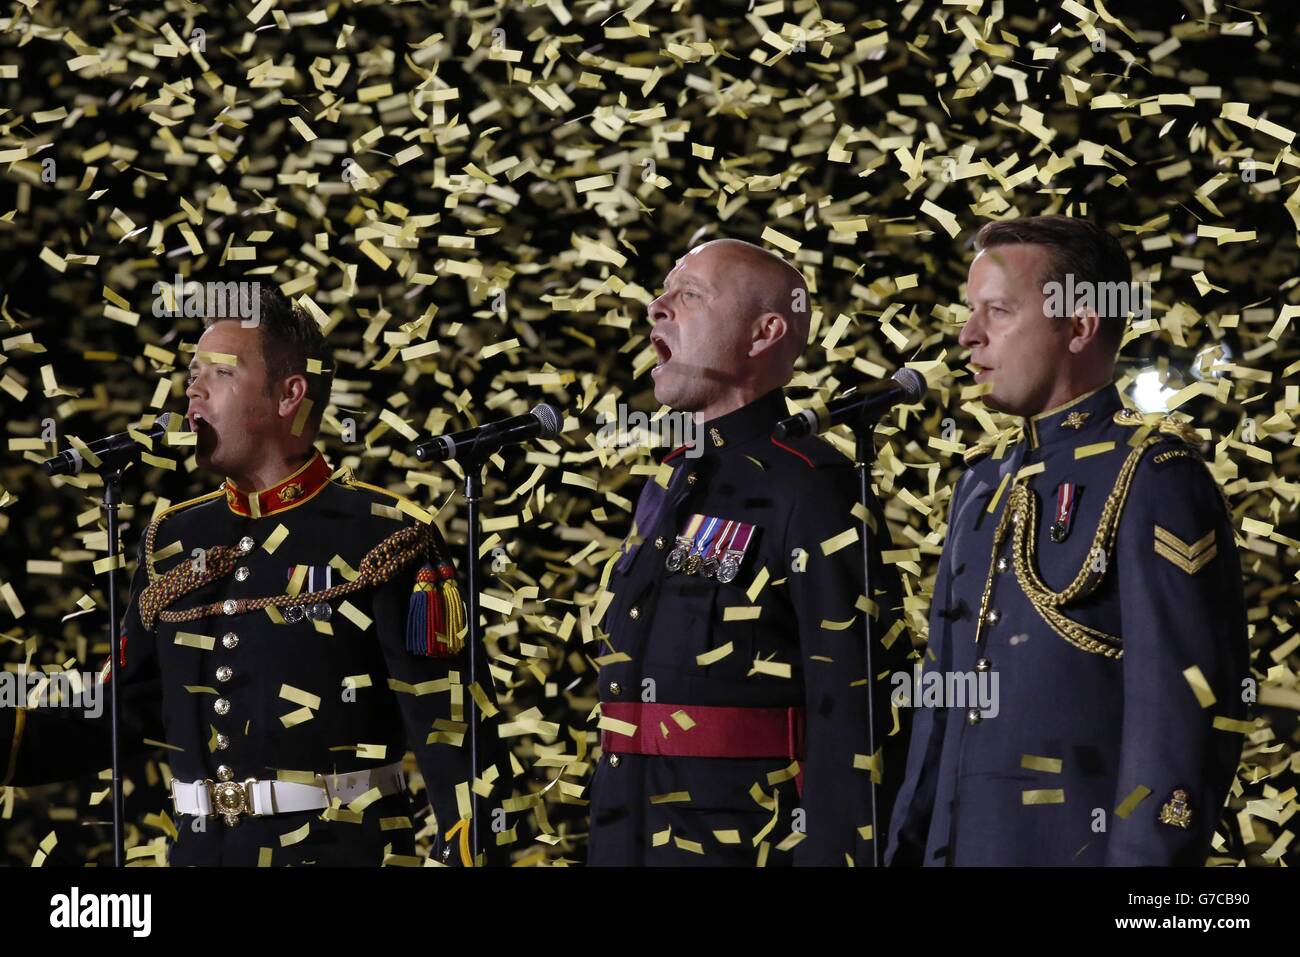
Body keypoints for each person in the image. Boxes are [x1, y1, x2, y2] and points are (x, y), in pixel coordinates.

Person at [1, 285, 495, 866]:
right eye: (191, 372)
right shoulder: (174, 539)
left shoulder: (384, 533)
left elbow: (456, 742)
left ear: (289, 394)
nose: (193, 389)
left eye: (220, 372)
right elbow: (118, 710)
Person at [886, 215, 1249, 866]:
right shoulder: (980, 484)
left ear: (1081, 325)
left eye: (997, 311)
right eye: (972, 312)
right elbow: (941, 715)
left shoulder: (1155, 479)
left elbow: (1179, 727)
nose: (969, 336)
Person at [588, 238, 910, 866]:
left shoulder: (813, 483)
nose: (656, 308)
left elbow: (854, 705)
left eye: (689, 294)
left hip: (743, 846)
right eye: (662, 292)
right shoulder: (668, 479)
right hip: (628, 832)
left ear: (763, 333)